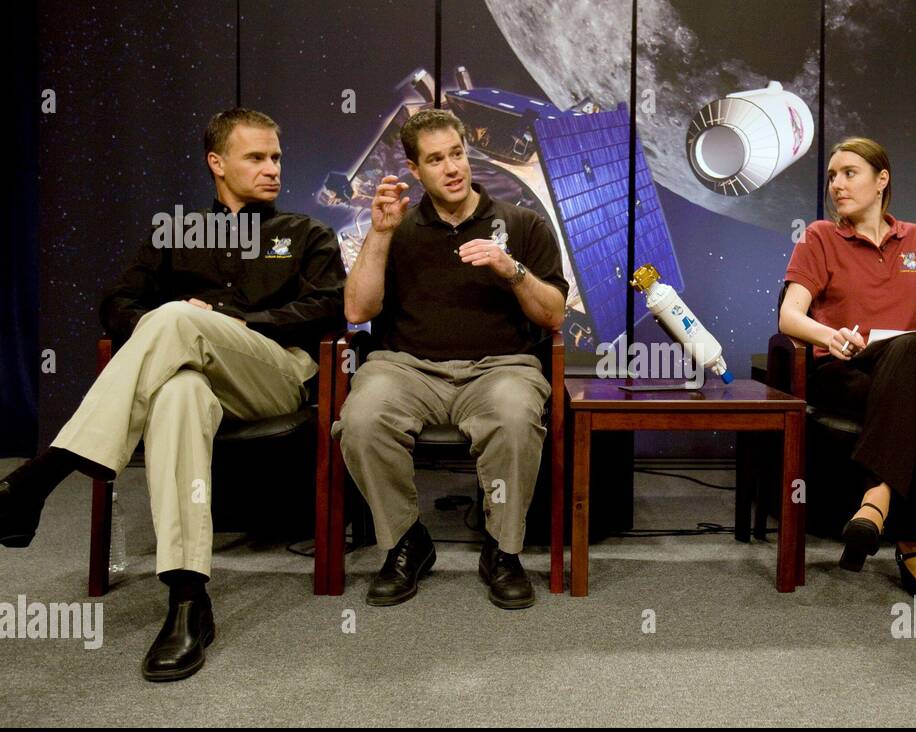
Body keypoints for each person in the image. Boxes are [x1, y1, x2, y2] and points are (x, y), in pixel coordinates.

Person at [0, 108, 347, 679]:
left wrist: (227, 317)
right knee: (178, 394)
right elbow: (117, 304)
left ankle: (40, 477)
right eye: (255, 157)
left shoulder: (305, 233)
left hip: (274, 375)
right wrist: (176, 322)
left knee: (174, 320)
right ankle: (188, 600)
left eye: (276, 157)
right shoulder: (177, 232)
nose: (272, 169)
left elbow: (327, 308)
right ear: (217, 163)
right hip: (197, 377)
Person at [336, 108, 566, 611]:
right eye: (436, 160)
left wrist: (512, 270)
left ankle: (503, 551)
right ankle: (405, 542)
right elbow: (357, 309)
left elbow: (552, 317)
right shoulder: (395, 229)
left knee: (513, 418)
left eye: (458, 154)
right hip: (406, 367)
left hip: (500, 367)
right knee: (361, 419)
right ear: (416, 171)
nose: (452, 168)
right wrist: (378, 234)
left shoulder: (523, 224)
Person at [780, 137, 916, 604]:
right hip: (844, 369)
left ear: (881, 180)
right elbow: (790, 316)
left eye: (849, 173)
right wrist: (831, 336)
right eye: (831, 177)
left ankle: (877, 502)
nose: (836, 185)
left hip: (901, 370)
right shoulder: (819, 236)